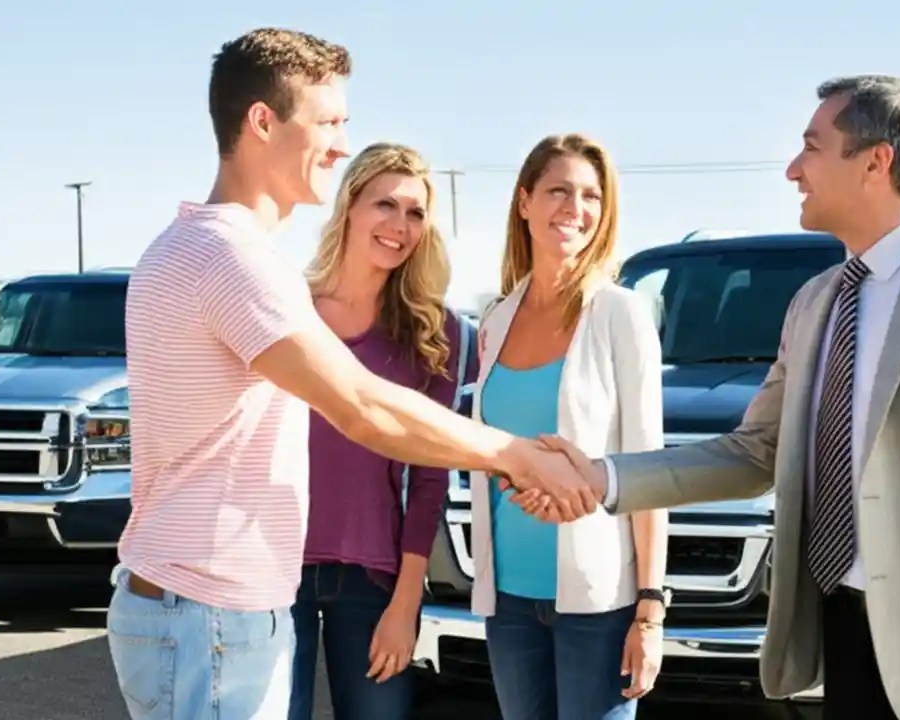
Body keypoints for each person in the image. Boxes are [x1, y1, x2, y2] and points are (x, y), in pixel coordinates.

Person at [526, 75, 900, 719]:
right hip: (840, 627)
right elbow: (755, 450)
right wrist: (601, 478)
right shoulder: (815, 302)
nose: (794, 169)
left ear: (875, 162)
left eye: (812, 148)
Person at [107, 28, 593, 720]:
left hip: (193, 605)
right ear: (263, 122)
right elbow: (362, 405)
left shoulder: (185, 246)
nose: (339, 145)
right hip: (212, 615)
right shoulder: (235, 261)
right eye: (328, 123)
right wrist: (517, 456)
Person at [469, 133, 668, 720]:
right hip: (507, 599)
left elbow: (648, 470)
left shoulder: (619, 313)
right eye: (558, 191)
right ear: (524, 201)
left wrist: (650, 611)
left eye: (590, 196)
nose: (574, 209)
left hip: (599, 603)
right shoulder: (496, 319)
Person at [287, 142, 479, 720]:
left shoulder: (435, 333)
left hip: (373, 580)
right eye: (385, 205)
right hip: (271, 570)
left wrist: (405, 605)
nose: (400, 226)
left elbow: (430, 478)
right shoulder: (287, 309)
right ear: (349, 205)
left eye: (416, 213)